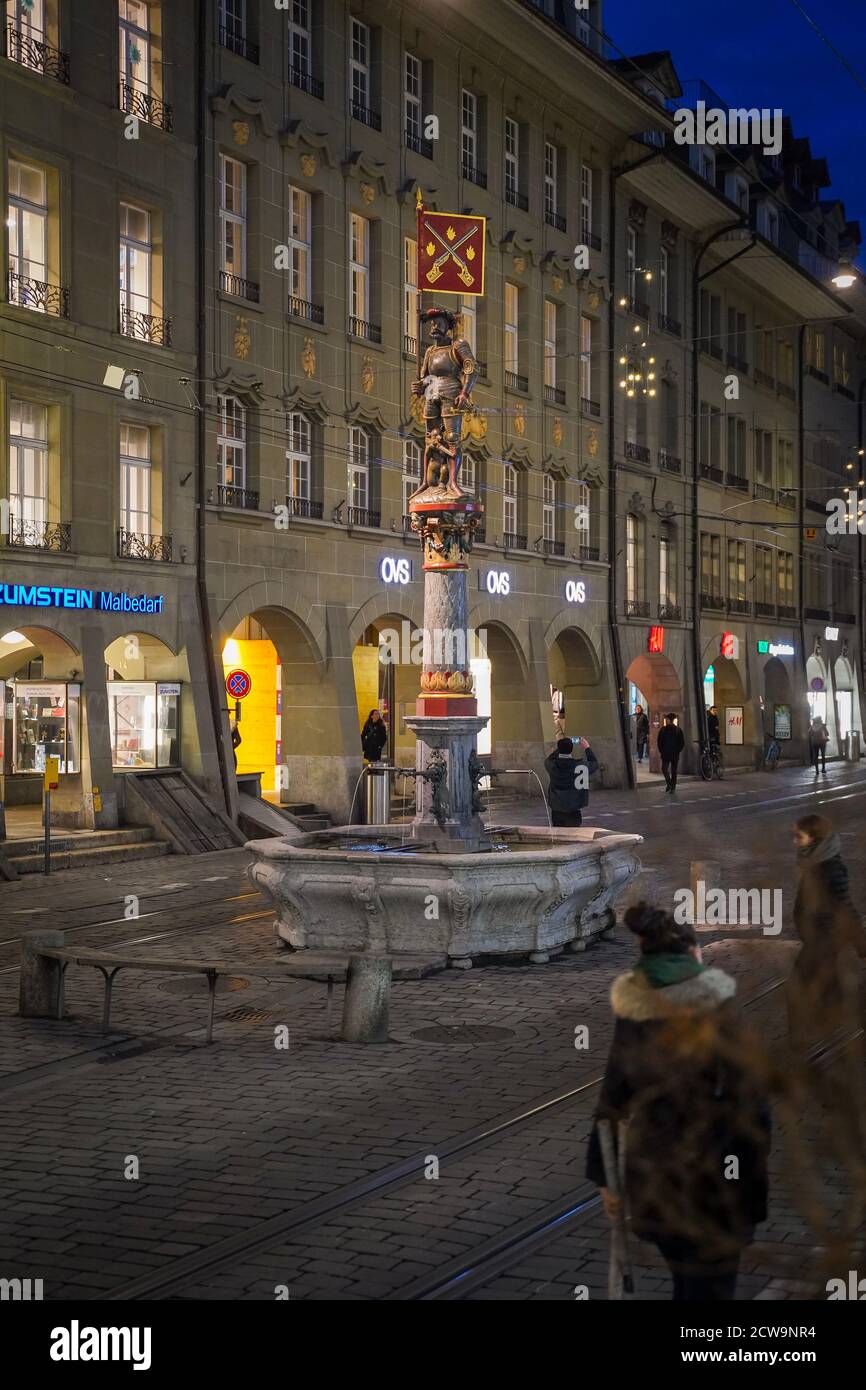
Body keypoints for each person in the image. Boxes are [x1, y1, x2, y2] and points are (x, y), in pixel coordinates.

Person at [586, 903, 771, 1301]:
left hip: (658, 1179)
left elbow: (613, 1101)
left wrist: (608, 1182)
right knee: (711, 1289)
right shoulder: (721, 1012)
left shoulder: (636, 1012)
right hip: (717, 1181)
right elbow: (754, 1108)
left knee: (688, 1283)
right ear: (692, 955)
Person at [787, 814, 866, 1045]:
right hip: (818, 938)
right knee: (832, 991)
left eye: (798, 837)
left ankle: (798, 1043)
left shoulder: (831, 868)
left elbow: (845, 906)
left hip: (825, 939)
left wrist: (860, 940)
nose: (795, 842)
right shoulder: (815, 861)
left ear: (814, 838)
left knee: (798, 988)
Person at [544, 735, 599, 827]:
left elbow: (549, 759)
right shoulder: (580, 767)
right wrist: (587, 748)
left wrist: (561, 748)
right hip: (574, 808)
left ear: (559, 749)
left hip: (557, 808)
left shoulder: (552, 766)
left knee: (559, 835)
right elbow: (594, 764)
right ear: (571, 749)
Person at [657, 713, 684, 793]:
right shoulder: (664, 729)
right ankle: (670, 784)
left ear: (669, 720)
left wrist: (677, 750)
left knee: (672, 770)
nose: (666, 720)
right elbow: (659, 741)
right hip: (667, 753)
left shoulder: (677, 730)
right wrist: (661, 750)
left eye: (667, 719)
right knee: (666, 769)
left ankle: (672, 787)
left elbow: (681, 743)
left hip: (672, 753)